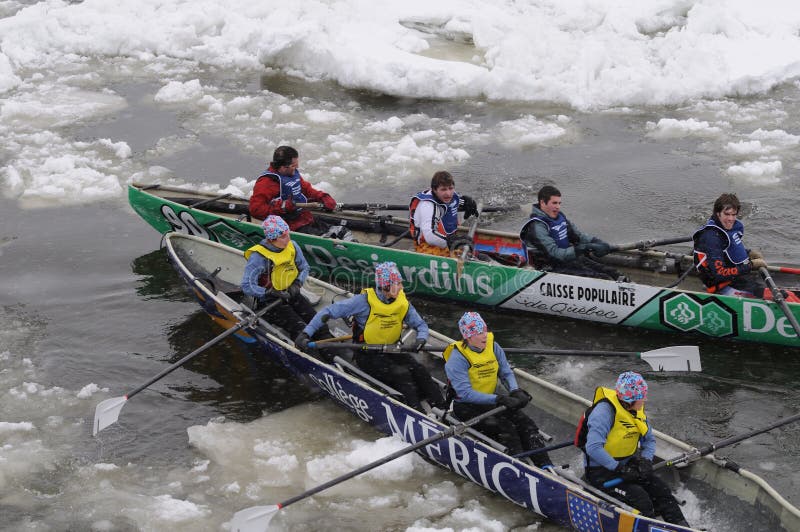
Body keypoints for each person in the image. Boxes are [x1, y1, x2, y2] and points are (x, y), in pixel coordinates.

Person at [295, 262, 446, 410]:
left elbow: (420, 325)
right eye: (397, 283)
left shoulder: (402, 301)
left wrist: (421, 338)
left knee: (420, 370)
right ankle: (417, 411)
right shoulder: (363, 302)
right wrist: (306, 333)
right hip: (367, 354)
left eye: (400, 283)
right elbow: (326, 312)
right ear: (386, 287)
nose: (401, 287)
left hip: (392, 349)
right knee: (401, 374)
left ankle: (441, 407)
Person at [443, 312, 553, 468]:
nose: (484, 336)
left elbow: (506, 372)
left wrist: (515, 391)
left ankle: (545, 464)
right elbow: (465, 393)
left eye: (485, 331)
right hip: (466, 406)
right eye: (479, 333)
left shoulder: (493, 346)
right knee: (506, 428)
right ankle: (518, 466)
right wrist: (499, 399)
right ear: (467, 337)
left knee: (526, 423)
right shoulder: (457, 358)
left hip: (489, 400)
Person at [582, 371, 689, 527]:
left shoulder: (637, 409)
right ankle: (651, 526)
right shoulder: (603, 412)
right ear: (628, 399)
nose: (644, 400)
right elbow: (593, 448)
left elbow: (649, 440)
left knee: (662, 490)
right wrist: (618, 468)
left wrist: (646, 459)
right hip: (601, 471)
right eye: (641, 397)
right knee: (641, 499)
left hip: (628, 465)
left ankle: (683, 527)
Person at [241, 215, 329, 342]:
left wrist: (297, 283)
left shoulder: (292, 245)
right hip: (270, 301)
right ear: (271, 239)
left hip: (291, 294)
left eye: (288, 234)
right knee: (301, 330)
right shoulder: (259, 257)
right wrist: (269, 292)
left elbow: (304, 268)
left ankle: (330, 354)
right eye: (282, 236)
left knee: (320, 324)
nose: (288, 239)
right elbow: (246, 285)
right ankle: (301, 350)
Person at [520, 185, 624, 281]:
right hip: (550, 268)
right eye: (554, 203)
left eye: (559, 203)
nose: (558, 207)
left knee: (613, 272)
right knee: (602, 278)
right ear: (542, 203)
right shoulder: (537, 227)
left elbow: (578, 236)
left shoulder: (559, 217)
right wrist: (583, 248)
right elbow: (555, 254)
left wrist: (597, 242)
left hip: (568, 260)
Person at [692, 193, 778, 300]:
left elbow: (729, 250)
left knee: (782, 294)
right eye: (727, 214)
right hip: (722, 285)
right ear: (718, 213)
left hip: (736, 279)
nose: (731, 219)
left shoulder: (727, 229)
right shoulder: (711, 238)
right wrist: (750, 266)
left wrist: (749, 253)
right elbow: (720, 274)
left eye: (734, 215)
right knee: (775, 296)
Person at [249, 146, 338, 235]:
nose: (297, 167)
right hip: (289, 227)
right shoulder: (266, 183)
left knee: (341, 232)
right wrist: (283, 207)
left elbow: (306, 188)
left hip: (305, 218)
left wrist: (322, 196)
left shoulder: (292, 173)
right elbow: (255, 209)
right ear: (283, 167)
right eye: (294, 165)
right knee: (328, 238)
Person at [409, 171, 479, 257]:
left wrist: (468, 202)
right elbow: (429, 236)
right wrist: (451, 241)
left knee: (478, 255)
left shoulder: (449, 196)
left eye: (450, 188)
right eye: (443, 189)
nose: (448, 193)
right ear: (434, 190)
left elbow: (456, 201)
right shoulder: (427, 206)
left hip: (446, 240)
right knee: (469, 257)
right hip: (427, 246)